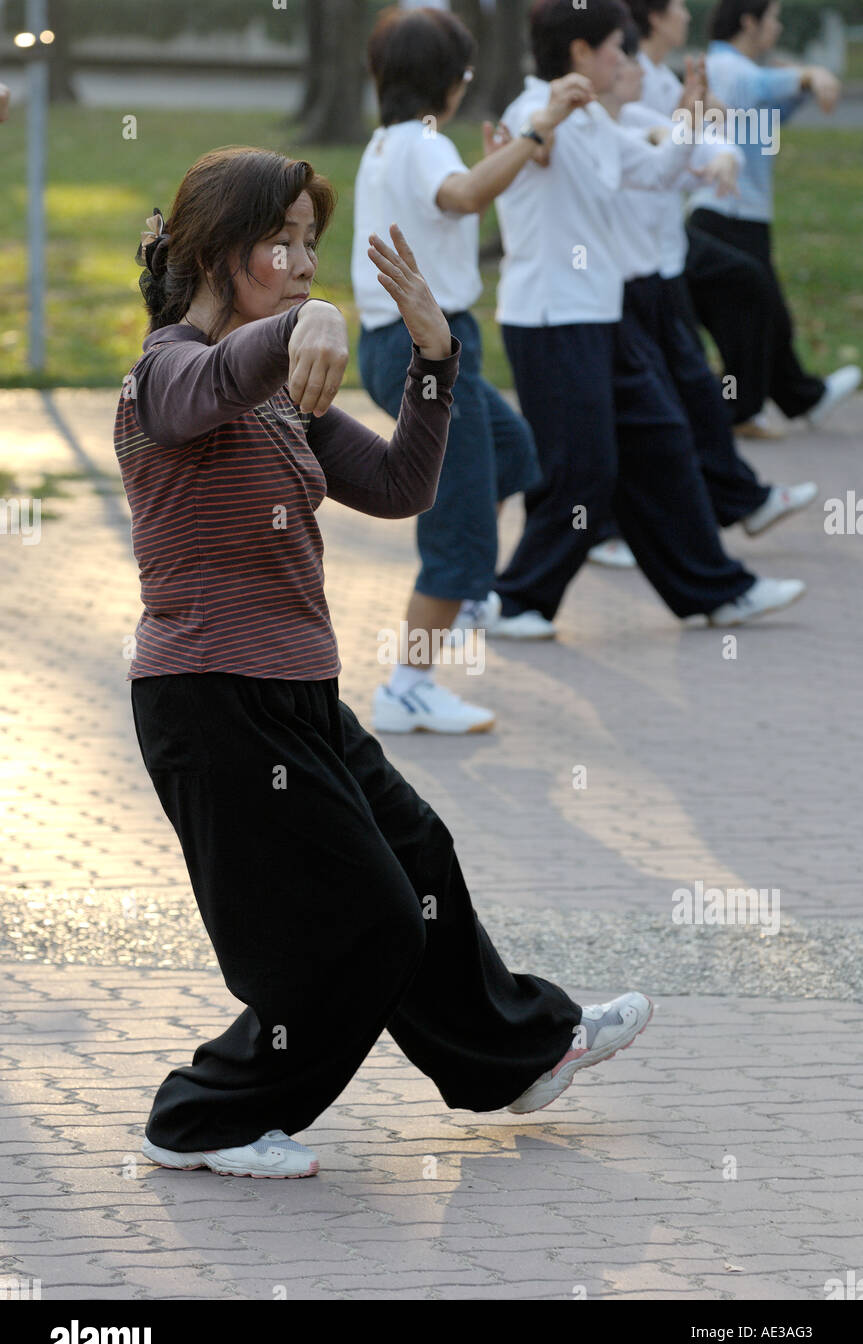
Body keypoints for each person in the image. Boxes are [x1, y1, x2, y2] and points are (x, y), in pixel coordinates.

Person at [116, 145, 653, 1179]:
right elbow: (211, 378)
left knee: (420, 857)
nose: (305, 263)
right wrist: (301, 327)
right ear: (224, 253)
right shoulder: (163, 378)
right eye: (284, 244)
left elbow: (403, 481)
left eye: (313, 244)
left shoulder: (283, 400)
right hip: (211, 703)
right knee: (365, 925)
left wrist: (434, 358)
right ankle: (203, 1117)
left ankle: (515, 1055)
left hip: (296, 699)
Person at [471, 0, 805, 643]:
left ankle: (716, 590)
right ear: (579, 53)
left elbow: (651, 173)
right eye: (615, 50)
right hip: (551, 318)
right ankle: (516, 601)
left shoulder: (594, 119)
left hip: (601, 313)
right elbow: (527, 155)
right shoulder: (530, 113)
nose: (625, 61)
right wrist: (547, 123)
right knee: (583, 469)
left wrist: (685, 124)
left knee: (662, 439)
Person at [353, 5, 591, 734]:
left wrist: (508, 154)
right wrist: (536, 128)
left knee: (513, 453)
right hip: (425, 350)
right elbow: (463, 195)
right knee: (456, 530)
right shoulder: (425, 144)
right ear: (452, 84)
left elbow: (457, 197)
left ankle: (465, 597)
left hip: (413, 345)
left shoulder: (390, 142)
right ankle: (408, 684)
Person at [613, 24, 818, 538]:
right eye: (678, 7)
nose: (686, 14)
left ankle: (736, 504)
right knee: (657, 405)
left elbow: (686, 141)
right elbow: (660, 145)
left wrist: (715, 144)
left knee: (688, 395)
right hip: (627, 280)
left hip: (660, 265)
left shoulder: (643, 95)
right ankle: (610, 530)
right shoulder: (606, 109)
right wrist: (692, 129)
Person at [687, 0, 861, 432]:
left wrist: (798, 88)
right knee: (751, 310)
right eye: (773, 19)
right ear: (749, 22)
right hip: (726, 211)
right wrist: (809, 74)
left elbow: (762, 120)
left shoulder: (739, 75)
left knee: (765, 311)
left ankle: (799, 397)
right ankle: (738, 409)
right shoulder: (728, 68)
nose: (778, 28)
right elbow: (763, 85)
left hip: (741, 210)